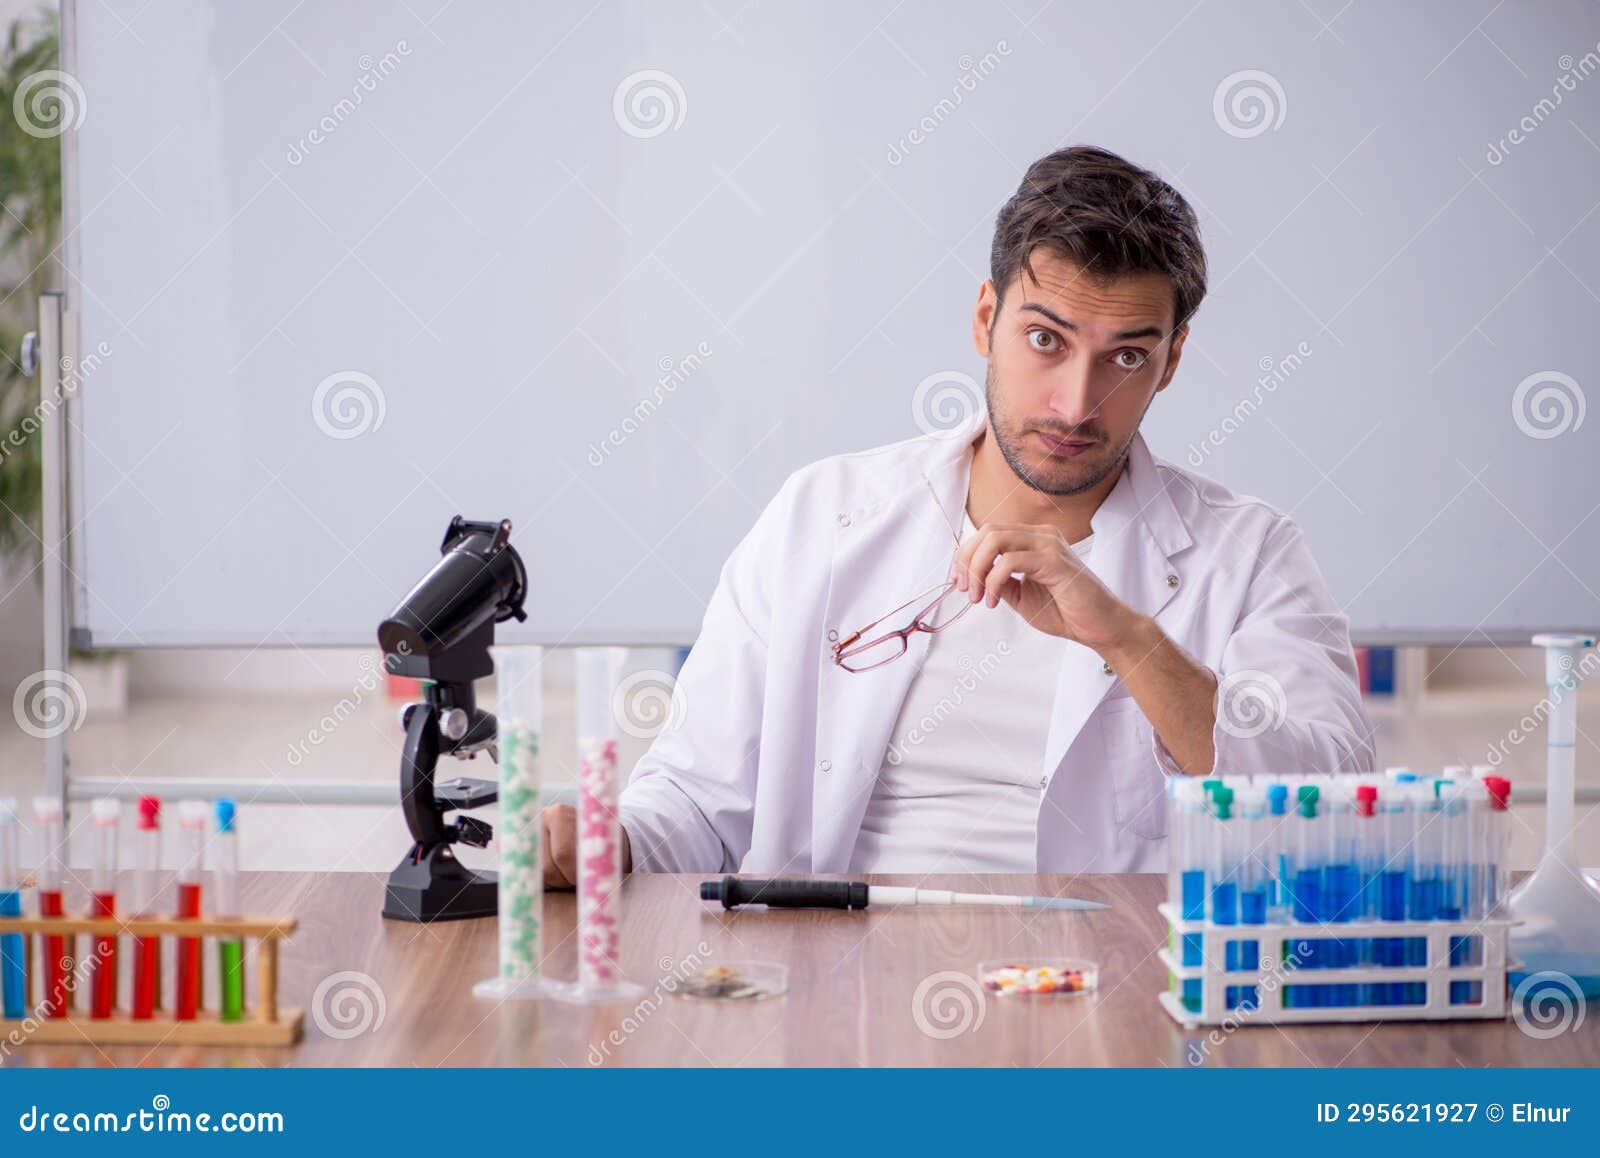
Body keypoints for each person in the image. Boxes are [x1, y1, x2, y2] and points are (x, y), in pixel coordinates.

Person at [542, 144, 1374, 884]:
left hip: (1111, 987)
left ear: (1172, 361)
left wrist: (1128, 640)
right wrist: (614, 844)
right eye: (1045, 340)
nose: (1076, 403)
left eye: (1126, 356)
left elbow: (1330, 806)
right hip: (846, 977)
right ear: (986, 320)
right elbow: (699, 796)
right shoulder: (822, 515)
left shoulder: (1249, 554)